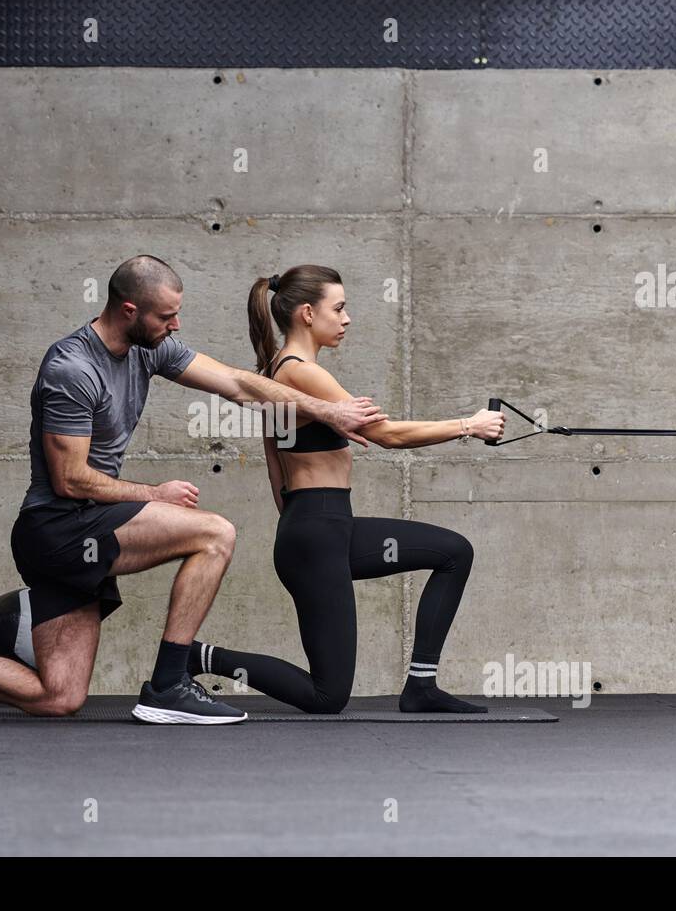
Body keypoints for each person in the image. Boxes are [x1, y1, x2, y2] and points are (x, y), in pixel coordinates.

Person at [0, 255, 386, 725]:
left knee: (58, 696)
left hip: (82, 532)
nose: (175, 326)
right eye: (165, 317)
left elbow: (237, 383)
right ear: (129, 310)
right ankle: (168, 685)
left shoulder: (148, 350)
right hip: (60, 526)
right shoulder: (72, 368)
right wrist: (153, 495)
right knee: (214, 534)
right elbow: (69, 478)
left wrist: (324, 410)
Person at [189, 265, 505, 714]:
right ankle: (196, 656)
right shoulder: (301, 374)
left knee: (454, 552)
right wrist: (468, 426)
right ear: (306, 314)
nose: (347, 318)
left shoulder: (274, 372)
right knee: (328, 695)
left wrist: (307, 530)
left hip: (319, 529)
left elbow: (275, 474)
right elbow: (387, 435)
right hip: (319, 532)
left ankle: (421, 686)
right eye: (338, 308)